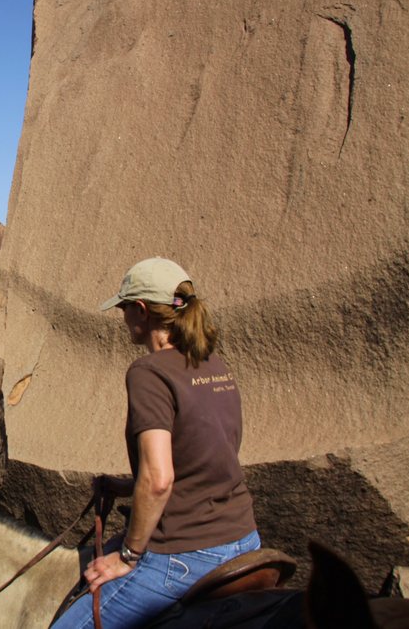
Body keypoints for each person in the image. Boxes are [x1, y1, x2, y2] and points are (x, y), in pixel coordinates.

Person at [52, 258, 259, 628]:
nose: (122, 316)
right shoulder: (215, 364)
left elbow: (160, 480)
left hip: (187, 553)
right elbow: (203, 461)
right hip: (244, 538)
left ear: (142, 311)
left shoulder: (148, 373)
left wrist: (128, 556)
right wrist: (127, 486)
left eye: (124, 307)